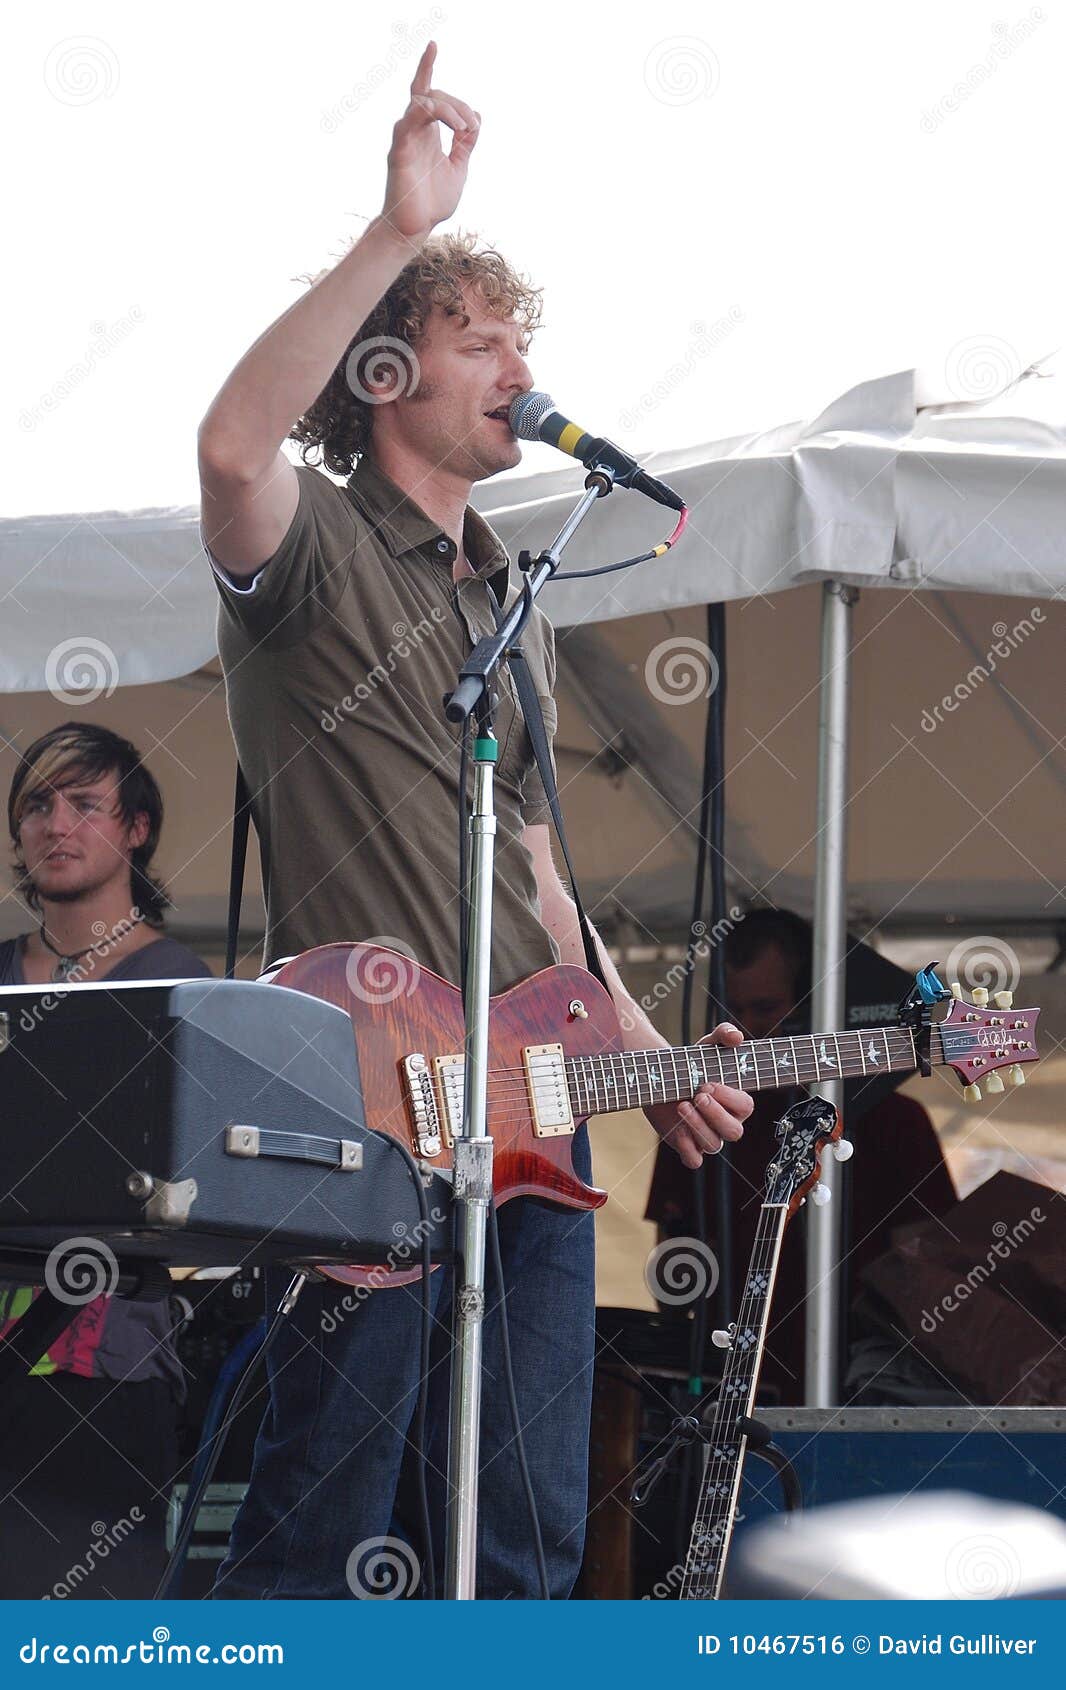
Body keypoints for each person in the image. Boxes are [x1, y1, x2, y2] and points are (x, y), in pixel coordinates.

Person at [196, 40, 753, 1599]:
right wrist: (398, 231)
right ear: (386, 374)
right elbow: (231, 446)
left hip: (534, 1102)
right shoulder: (317, 555)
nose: (519, 369)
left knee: (526, 1521)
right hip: (367, 1090)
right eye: (479, 340)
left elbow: (540, 883)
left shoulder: (515, 603)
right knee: (327, 1500)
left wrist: (641, 1045)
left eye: (521, 341)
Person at [0, 721, 211, 1598]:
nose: (56, 824)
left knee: (94, 1625)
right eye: (36, 806)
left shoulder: (184, 985)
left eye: (85, 804)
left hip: (107, 1364)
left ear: (137, 828)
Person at [645, 907, 958, 1403]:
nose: (747, 1029)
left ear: (816, 1002)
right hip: (730, 1384)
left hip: (866, 1389)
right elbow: (672, 1260)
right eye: (733, 1010)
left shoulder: (898, 1122)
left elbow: (932, 1268)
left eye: (766, 1008)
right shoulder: (700, 1112)